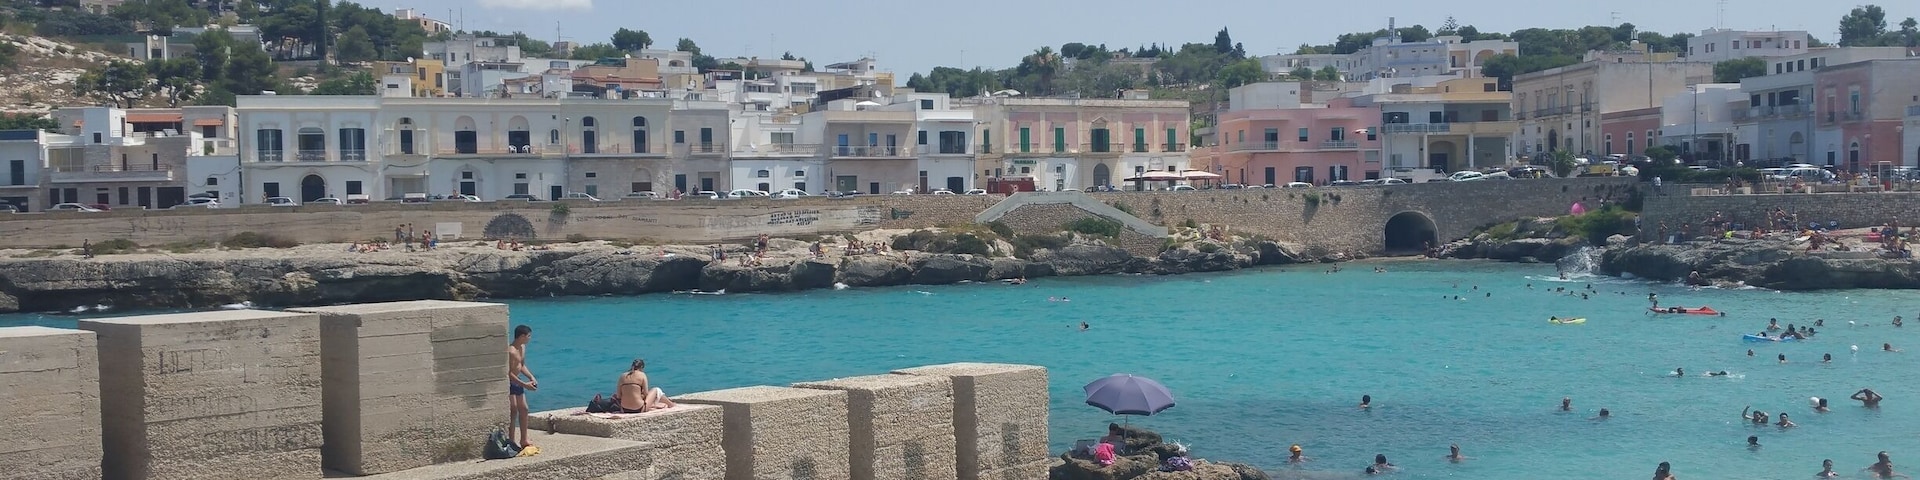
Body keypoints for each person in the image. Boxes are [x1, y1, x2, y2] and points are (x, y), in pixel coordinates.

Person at [507, 325, 538, 448]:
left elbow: (521, 365)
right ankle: (511, 440)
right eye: (528, 336)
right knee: (513, 410)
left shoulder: (522, 348)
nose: (530, 338)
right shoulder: (511, 351)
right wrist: (524, 384)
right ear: (522, 336)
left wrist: (531, 377)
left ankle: (524, 439)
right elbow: (508, 372)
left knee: (524, 409)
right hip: (510, 382)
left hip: (518, 381)